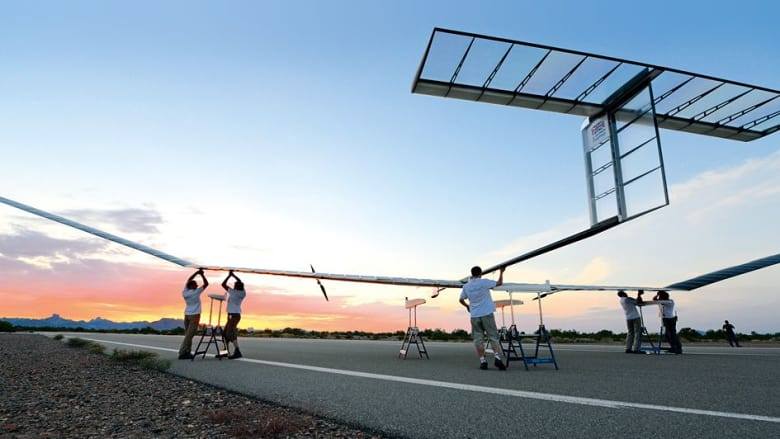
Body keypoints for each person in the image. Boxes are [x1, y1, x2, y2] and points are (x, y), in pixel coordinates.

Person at [459, 266, 506, 370]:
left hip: (475, 315)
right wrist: (501, 272)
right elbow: (499, 283)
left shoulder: (466, 286)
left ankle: (483, 361)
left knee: (478, 339)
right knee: (493, 336)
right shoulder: (484, 282)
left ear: (471, 274)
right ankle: (497, 358)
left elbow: (461, 299)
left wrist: (467, 306)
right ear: (480, 273)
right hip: (486, 313)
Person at [178, 269, 209, 360]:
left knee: (188, 334)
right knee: (189, 335)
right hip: (195, 315)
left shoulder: (185, 292)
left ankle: (187, 352)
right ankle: (182, 352)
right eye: (195, 284)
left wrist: (197, 273)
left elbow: (189, 279)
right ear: (192, 286)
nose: (197, 286)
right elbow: (206, 284)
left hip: (187, 314)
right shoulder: (196, 292)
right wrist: (202, 275)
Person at [221, 270, 247, 359]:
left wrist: (229, 276)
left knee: (229, 333)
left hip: (234, 315)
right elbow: (239, 281)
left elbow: (223, 284)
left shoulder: (233, 292)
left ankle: (237, 351)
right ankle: (225, 351)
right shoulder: (243, 293)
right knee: (224, 333)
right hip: (232, 315)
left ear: (236, 286)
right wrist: (233, 275)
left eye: (235, 285)